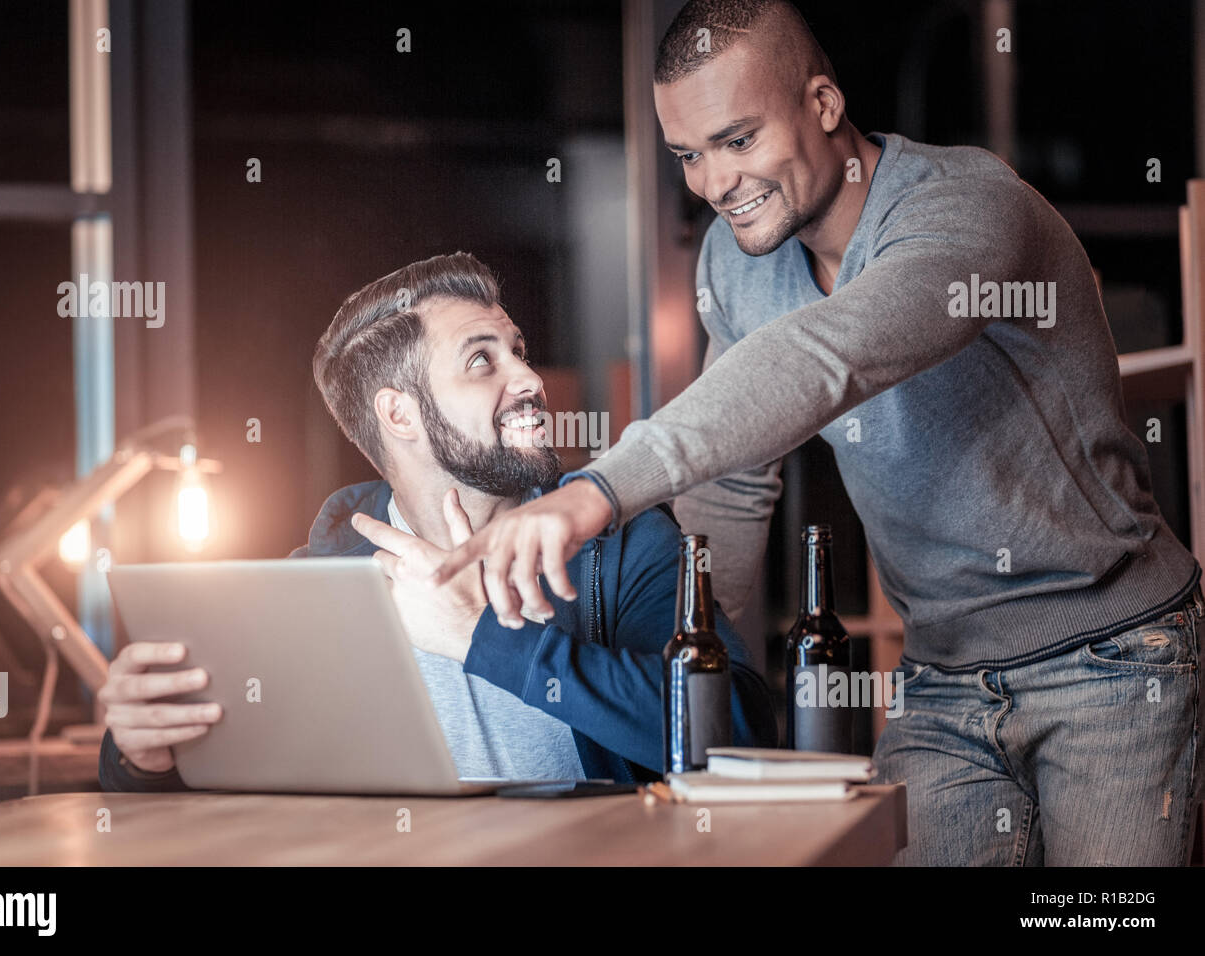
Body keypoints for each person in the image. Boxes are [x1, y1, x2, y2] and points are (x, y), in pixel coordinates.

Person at [431, 1, 1205, 865]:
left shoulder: (968, 206)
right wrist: (705, 688)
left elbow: (827, 357)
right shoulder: (734, 264)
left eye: (738, 140)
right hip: (941, 679)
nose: (715, 183)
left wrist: (595, 491)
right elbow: (733, 482)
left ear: (825, 104)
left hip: (1111, 655)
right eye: (688, 155)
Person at [97, 251, 778, 792]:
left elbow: (738, 730)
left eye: (518, 350)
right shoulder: (320, 583)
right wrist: (140, 756)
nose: (529, 379)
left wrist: (487, 639)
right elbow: (226, 783)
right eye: (483, 361)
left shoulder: (621, 545)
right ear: (400, 414)